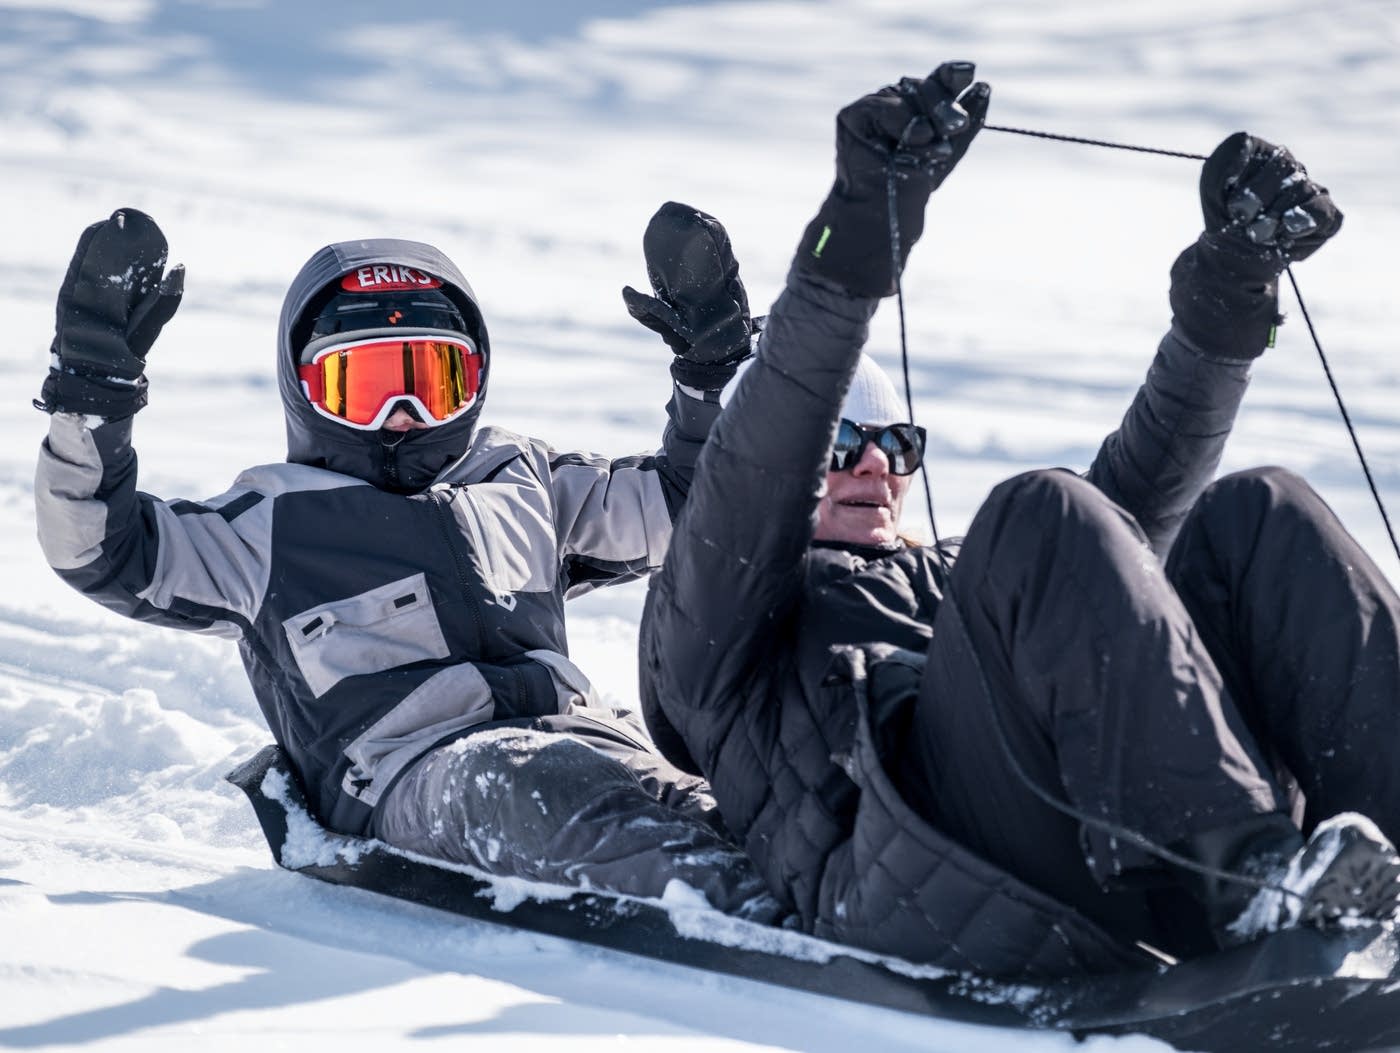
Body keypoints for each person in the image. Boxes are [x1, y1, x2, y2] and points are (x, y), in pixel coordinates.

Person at [635, 60, 1400, 978]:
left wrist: (1231, 290)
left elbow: (1136, 501)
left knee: (1256, 514)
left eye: (896, 444)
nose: (874, 463)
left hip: (1085, 819)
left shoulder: (968, 578)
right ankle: (1253, 880)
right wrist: (856, 235)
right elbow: (760, 458)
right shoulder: (713, 623)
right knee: (1041, 510)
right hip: (924, 876)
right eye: (841, 442)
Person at [33, 209, 779, 920]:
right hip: (417, 775)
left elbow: (691, 506)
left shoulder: (521, 479)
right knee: (531, 783)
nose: (401, 414)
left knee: (725, 793)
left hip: (582, 734)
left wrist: (713, 378)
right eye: (362, 386)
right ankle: (742, 906)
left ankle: (821, 886)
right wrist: (93, 401)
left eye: (433, 382)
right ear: (305, 390)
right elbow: (101, 546)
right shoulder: (271, 523)